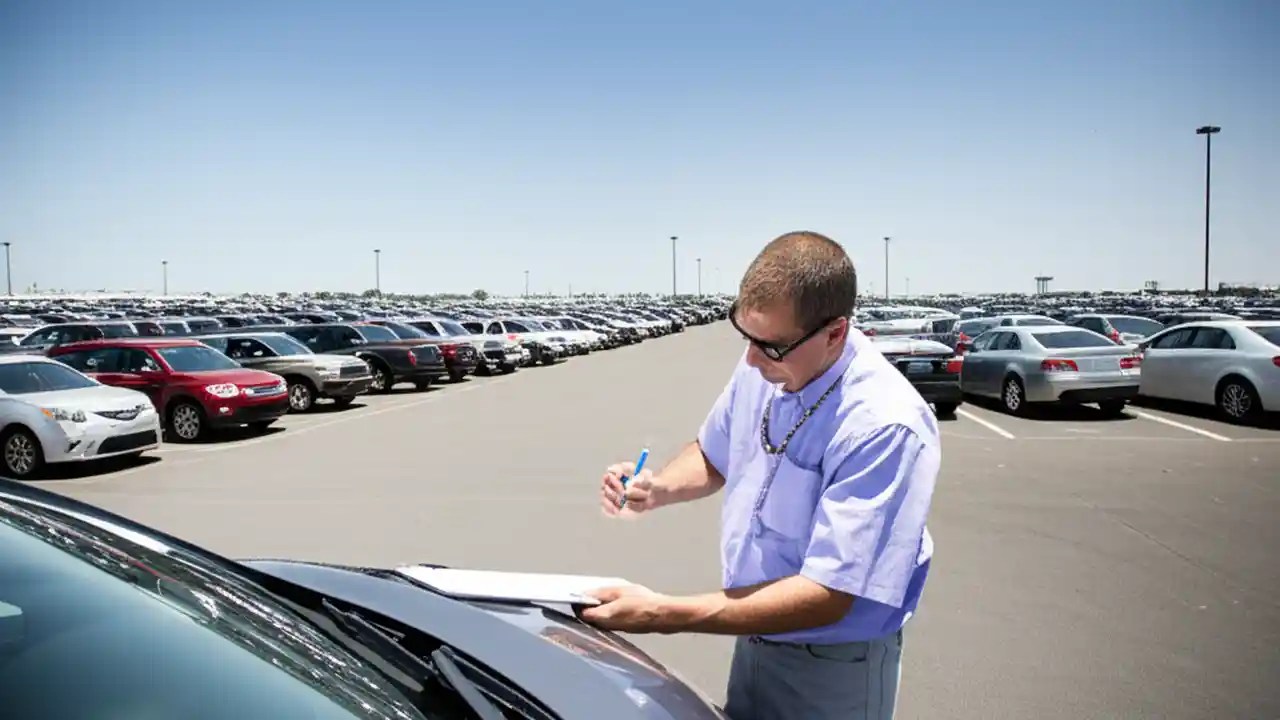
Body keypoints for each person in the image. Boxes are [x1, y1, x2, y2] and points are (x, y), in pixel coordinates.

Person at [579, 231, 940, 720]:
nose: (750, 359)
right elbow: (713, 453)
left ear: (834, 333)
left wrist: (660, 613)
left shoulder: (884, 423)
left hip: (831, 669)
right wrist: (658, 486)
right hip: (754, 635)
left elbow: (828, 594)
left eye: (769, 346)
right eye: (746, 337)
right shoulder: (768, 360)